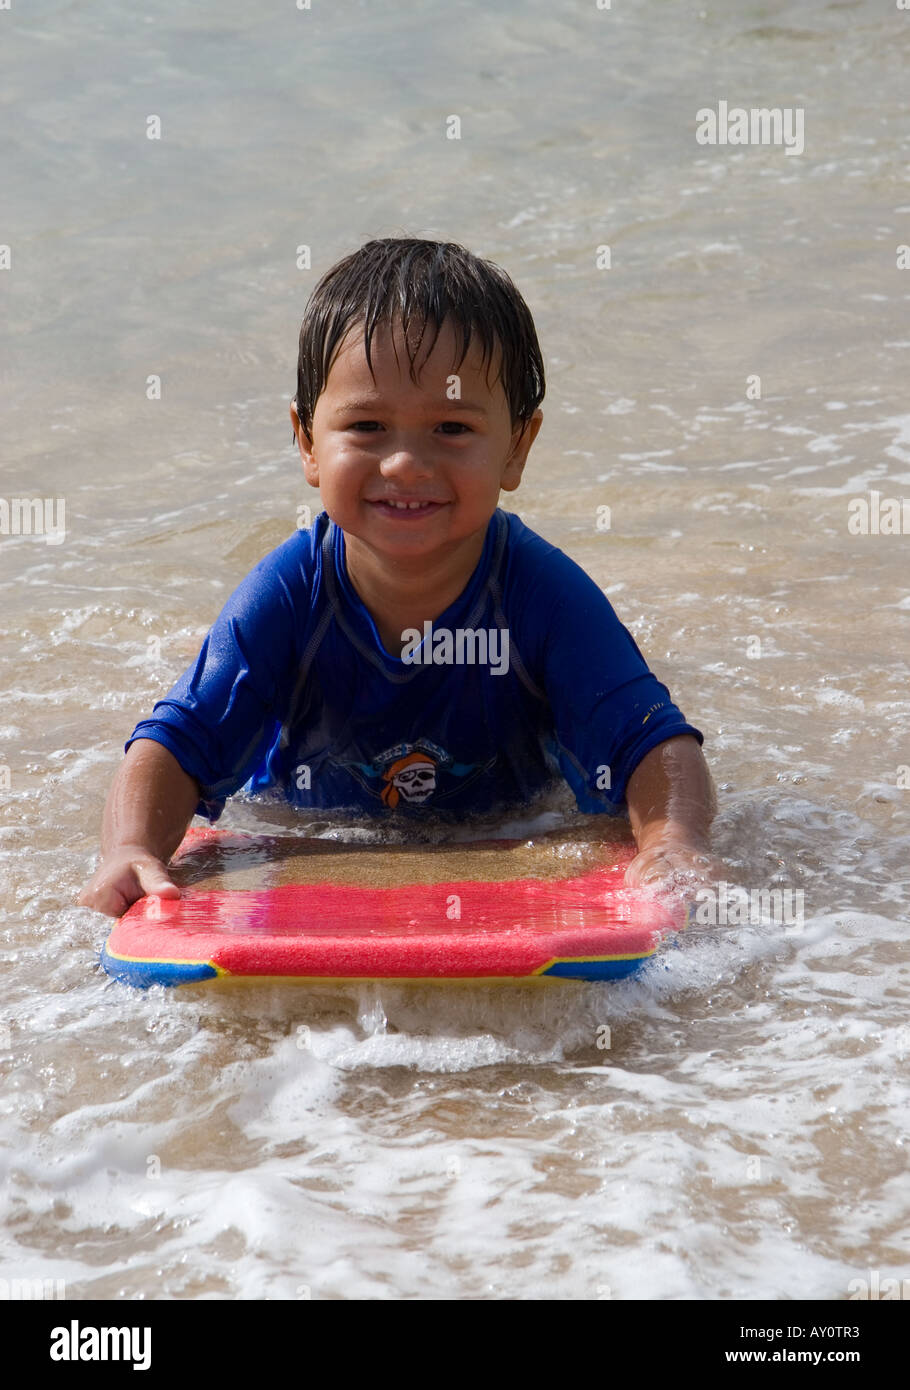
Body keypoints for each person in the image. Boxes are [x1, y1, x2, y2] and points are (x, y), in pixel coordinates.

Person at [79, 237, 720, 918]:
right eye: (367, 426)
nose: (406, 463)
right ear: (307, 443)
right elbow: (176, 743)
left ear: (517, 446)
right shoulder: (289, 595)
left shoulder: (543, 597)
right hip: (304, 820)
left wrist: (672, 841)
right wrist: (128, 847)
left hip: (502, 822)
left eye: (450, 427)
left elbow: (653, 741)